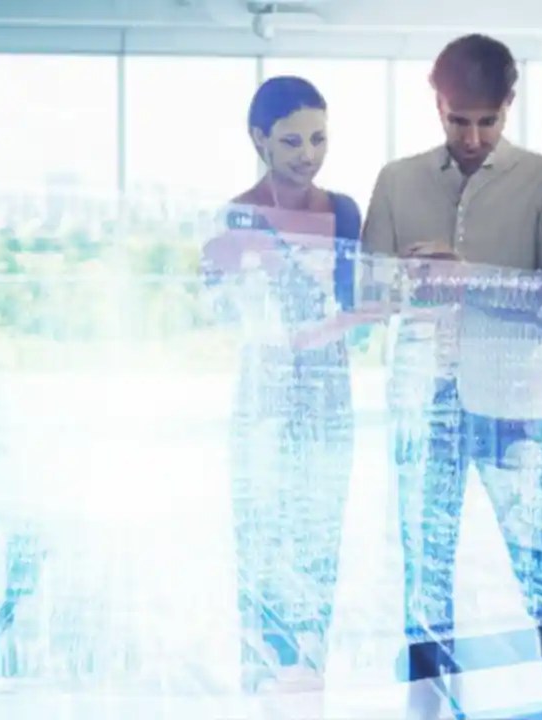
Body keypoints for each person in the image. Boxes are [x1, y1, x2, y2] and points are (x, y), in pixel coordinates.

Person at [360, 33, 542, 717]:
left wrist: (471, 278)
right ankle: (428, 700)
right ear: (437, 103)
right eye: (458, 120)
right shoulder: (397, 180)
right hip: (421, 398)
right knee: (423, 564)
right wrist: (406, 282)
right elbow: (373, 293)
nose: (473, 136)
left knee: (540, 558)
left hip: (517, 401)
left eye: (487, 121)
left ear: (509, 106)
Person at [201, 75, 358, 695]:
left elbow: (358, 301)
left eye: (319, 138)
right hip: (261, 387)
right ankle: (261, 665)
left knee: (322, 521)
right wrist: (240, 281)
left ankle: (309, 667)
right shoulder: (237, 214)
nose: (308, 154)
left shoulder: (343, 211)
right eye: (292, 140)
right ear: (259, 138)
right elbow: (216, 313)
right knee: (261, 521)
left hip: (329, 388)